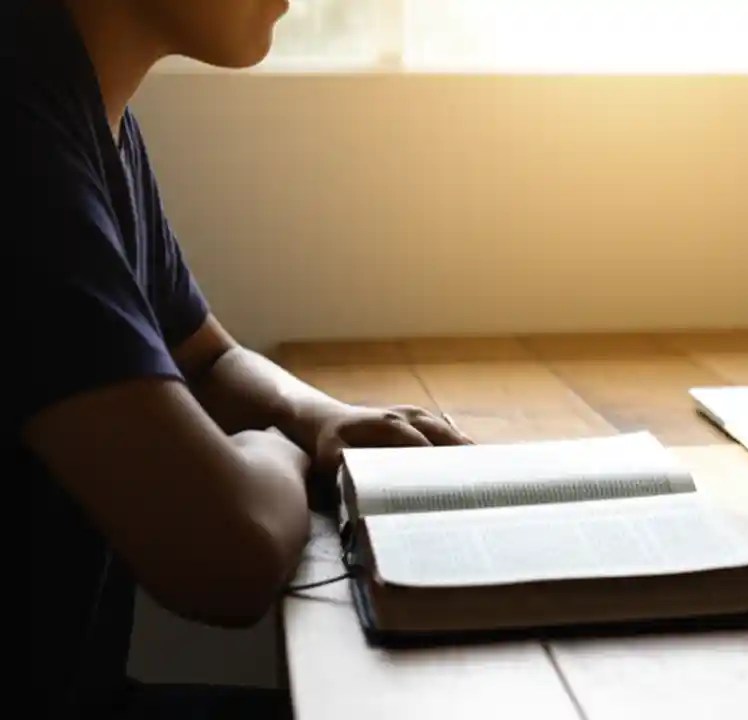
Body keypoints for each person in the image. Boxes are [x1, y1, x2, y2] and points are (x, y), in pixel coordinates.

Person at [8, 1, 473, 717]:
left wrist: (321, 418)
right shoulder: (22, 134)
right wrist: (280, 449)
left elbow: (205, 357)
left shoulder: (88, 105)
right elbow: (229, 553)